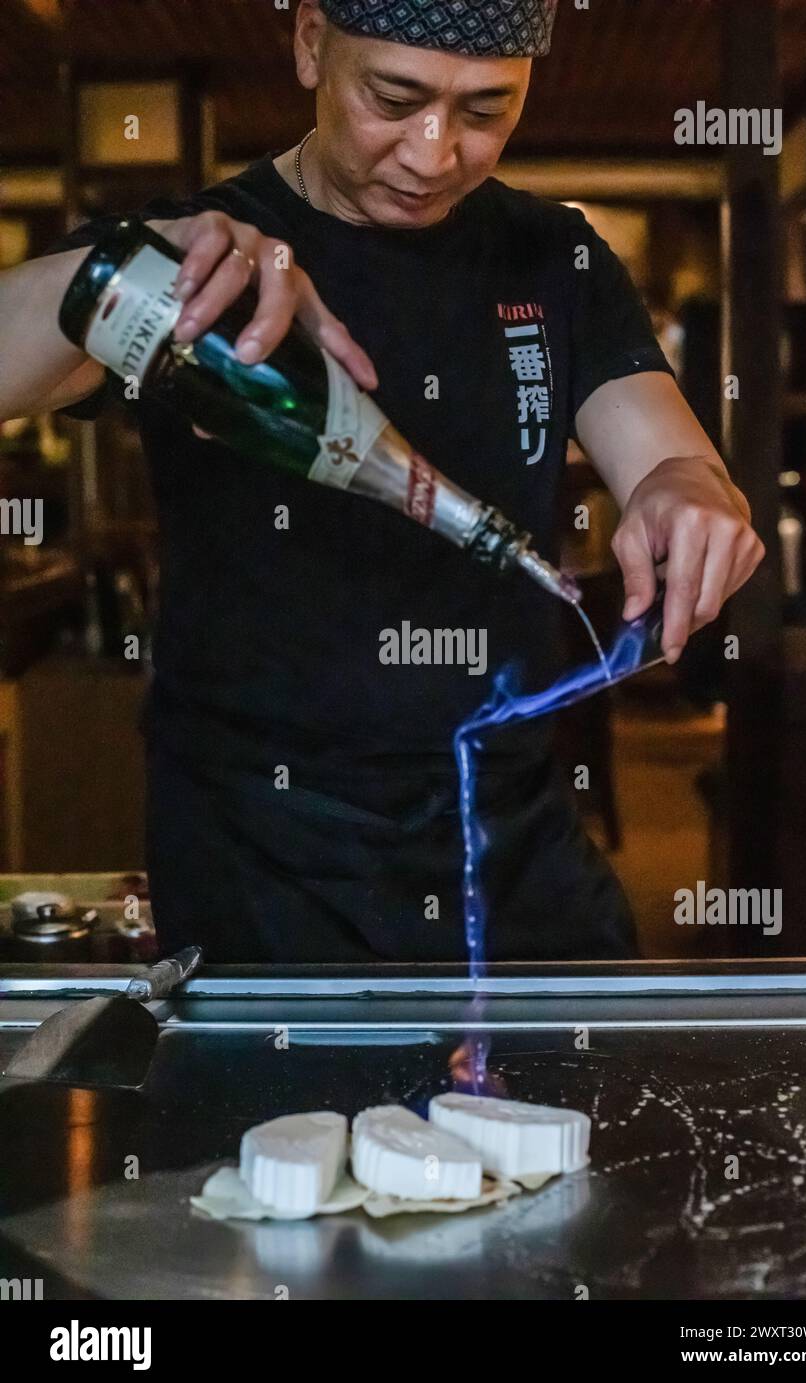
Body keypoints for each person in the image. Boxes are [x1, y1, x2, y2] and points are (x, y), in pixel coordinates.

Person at [0, 0, 763, 964]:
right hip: (261, 848)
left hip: (504, 822)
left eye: (486, 110)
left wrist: (688, 492)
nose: (435, 151)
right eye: (394, 99)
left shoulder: (555, 258)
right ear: (311, 43)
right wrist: (113, 273)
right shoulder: (200, 259)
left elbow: (671, 456)